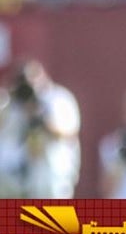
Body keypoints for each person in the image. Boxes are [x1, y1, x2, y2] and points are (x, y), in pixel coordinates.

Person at [0, 59, 80, 198]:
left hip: (53, 174)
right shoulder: (16, 104)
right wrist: (11, 98)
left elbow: (68, 132)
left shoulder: (57, 98)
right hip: (23, 179)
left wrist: (39, 116)